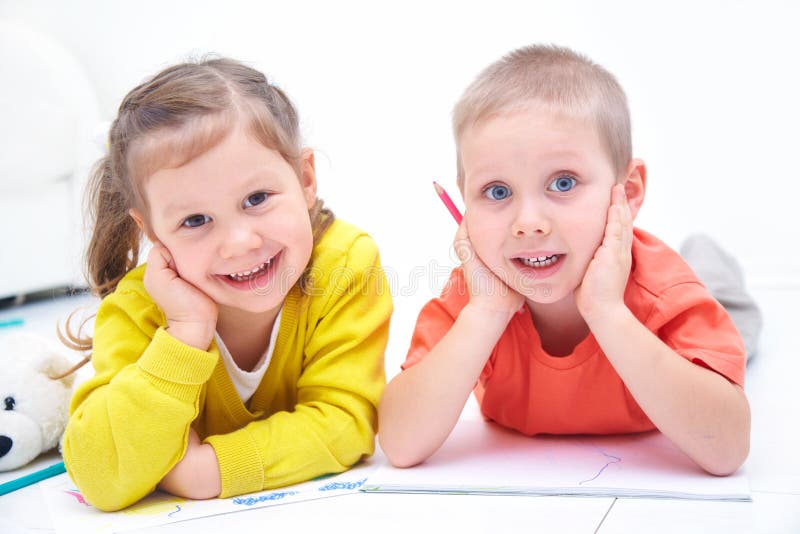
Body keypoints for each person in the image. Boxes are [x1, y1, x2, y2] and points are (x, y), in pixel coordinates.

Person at [378, 44, 755, 476]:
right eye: (497, 192)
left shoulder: (663, 290)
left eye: (562, 182)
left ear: (627, 193)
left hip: (688, 305)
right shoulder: (473, 296)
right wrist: (486, 313)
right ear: (463, 208)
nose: (529, 223)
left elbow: (727, 449)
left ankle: (707, 255)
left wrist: (606, 311)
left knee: (731, 308)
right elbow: (401, 444)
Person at [61, 57, 392, 511]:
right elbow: (102, 475)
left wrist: (209, 470)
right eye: (195, 220)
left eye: (257, 199)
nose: (239, 243)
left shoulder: (344, 265)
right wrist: (184, 334)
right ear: (153, 231)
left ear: (305, 178)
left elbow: (347, 422)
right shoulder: (140, 308)